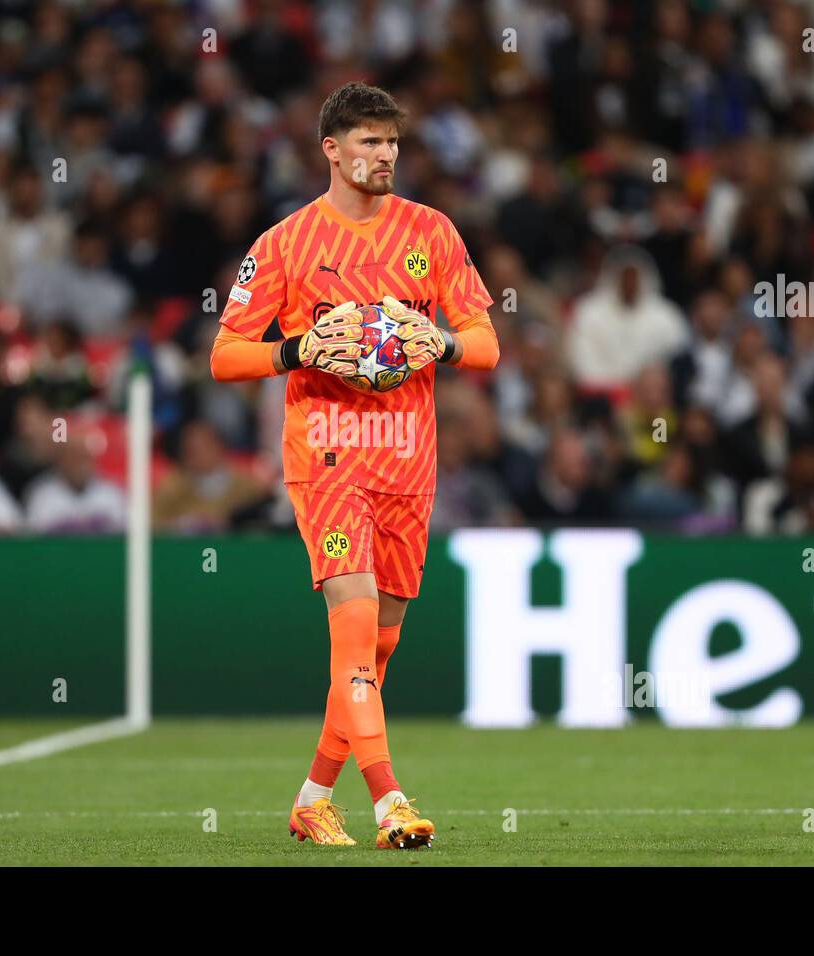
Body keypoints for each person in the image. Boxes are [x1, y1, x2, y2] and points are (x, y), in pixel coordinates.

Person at [209, 82, 498, 849]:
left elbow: (488, 343)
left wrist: (441, 341)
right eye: (369, 143)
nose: (385, 155)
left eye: (392, 143)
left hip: (408, 461)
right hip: (328, 454)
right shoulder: (284, 244)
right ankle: (390, 800)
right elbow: (224, 355)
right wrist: (297, 348)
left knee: (379, 646)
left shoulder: (431, 233)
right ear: (331, 151)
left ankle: (312, 799)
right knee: (356, 624)